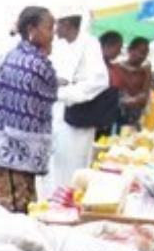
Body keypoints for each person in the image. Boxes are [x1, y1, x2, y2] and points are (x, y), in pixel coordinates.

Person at [0, 6, 58, 213]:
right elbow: (48, 93)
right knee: (12, 214)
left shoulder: (18, 57)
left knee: (17, 212)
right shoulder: (28, 63)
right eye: (49, 28)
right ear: (32, 29)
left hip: (13, 152)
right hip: (13, 152)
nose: (53, 34)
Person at [46, 12, 109, 193]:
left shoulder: (89, 44)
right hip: (55, 116)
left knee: (73, 171)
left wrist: (65, 93)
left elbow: (99, 81)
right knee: (52, 171)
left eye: (56, 24)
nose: (54, 30)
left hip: (77, 119)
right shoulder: (58, 46)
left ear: (67, 24)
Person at [111, 36, 152, 130]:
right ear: (130, 50)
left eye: (145, 53)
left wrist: (148, 74)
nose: (142, 56)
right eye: (140, 52)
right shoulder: (117, 68)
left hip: (135, 119)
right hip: (116, 118)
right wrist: (131, 101)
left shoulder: (144, 72)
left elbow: (144, 96)